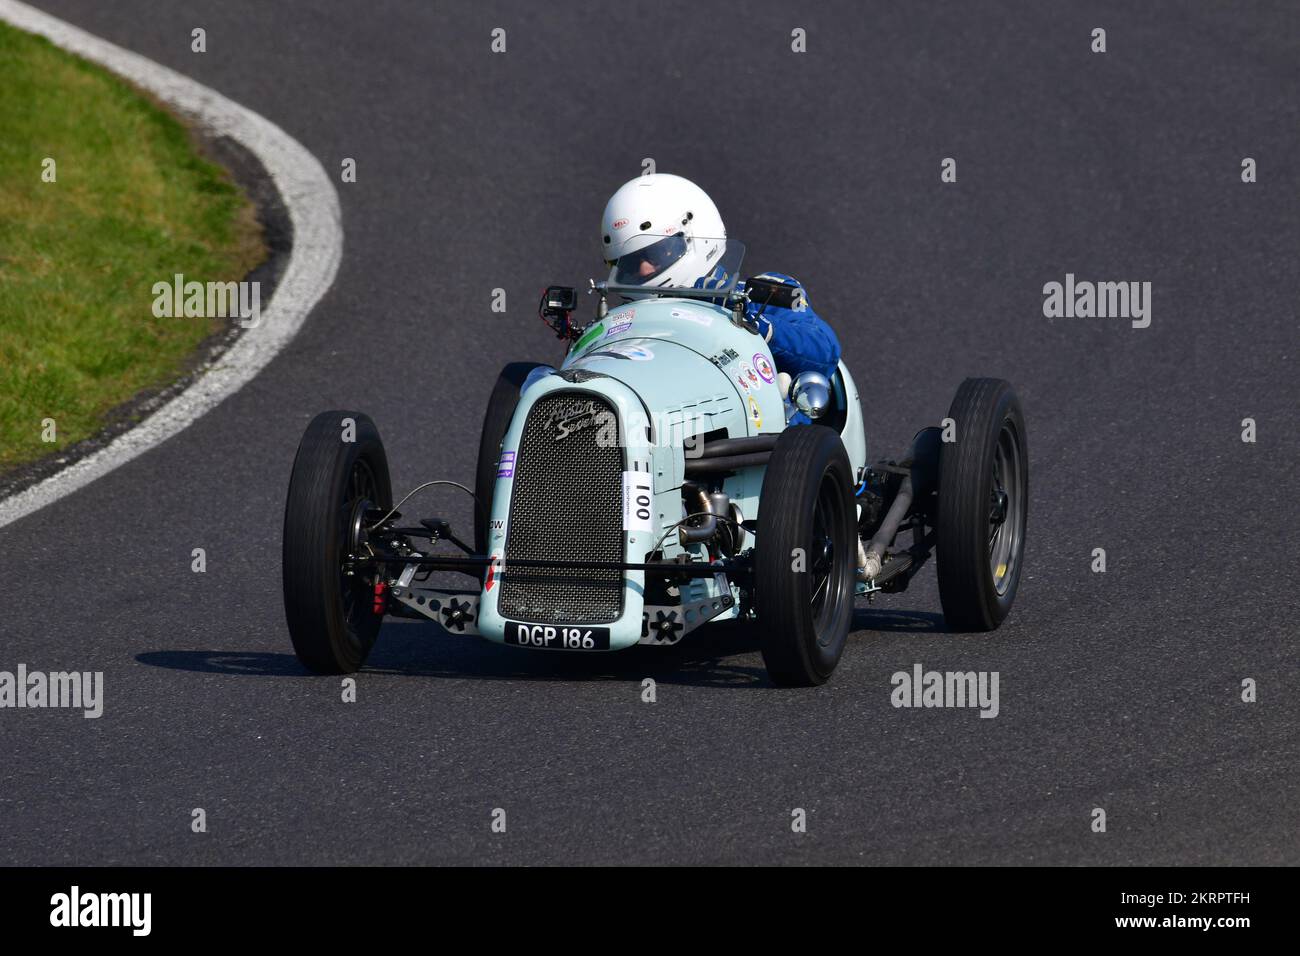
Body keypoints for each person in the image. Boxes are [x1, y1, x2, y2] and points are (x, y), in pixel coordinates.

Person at [600, 174, 841, 392]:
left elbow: (825, 353)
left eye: (655, 255)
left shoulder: (761, 295)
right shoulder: (622, 321)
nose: (644, 270)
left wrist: (757, 325)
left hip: (764, 433)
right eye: (630, 264)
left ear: (696, 236)